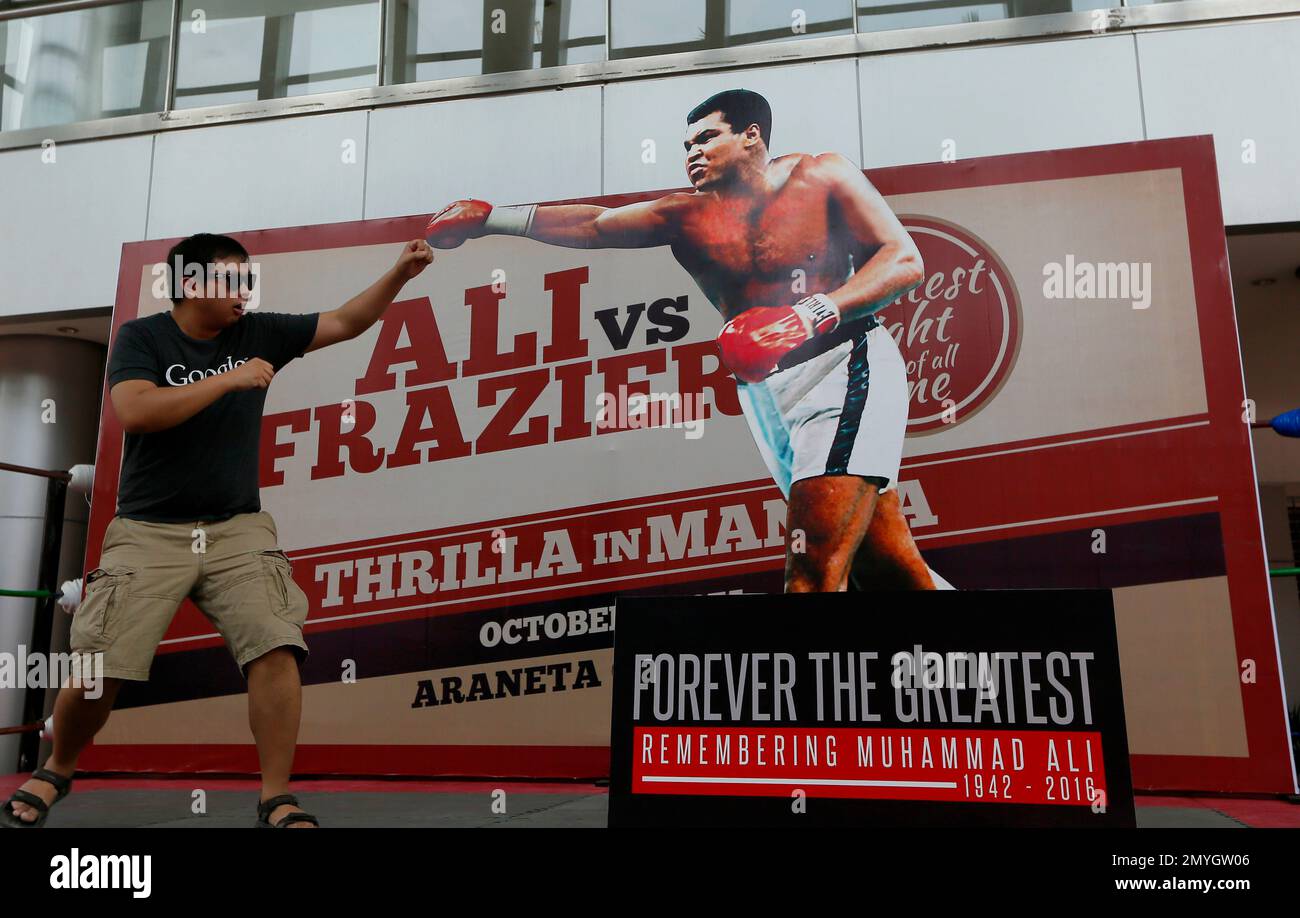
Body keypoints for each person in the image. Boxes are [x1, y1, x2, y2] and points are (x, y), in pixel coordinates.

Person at [424, 88, 943, 594]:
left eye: (706, 139)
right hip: (765, 394)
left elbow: (904, 259)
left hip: (842, 366)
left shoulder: (821, 175)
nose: (692, 153)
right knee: (885, 569)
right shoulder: (687, 216)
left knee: (810, 575)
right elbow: (597, 224)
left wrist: (809, 315)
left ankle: (795, 681)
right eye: (686, 147)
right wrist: (493, 218)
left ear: (751, 135)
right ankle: (992, 669)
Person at [1, 232, 433, 829]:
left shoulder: (257, 333)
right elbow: (137, 411)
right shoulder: (142, 337)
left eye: (246, 280)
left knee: (276, 645)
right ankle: (58, 767)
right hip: (148, 530)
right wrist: (226, 381)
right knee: (100, 668)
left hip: (237, 529)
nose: (244, 293)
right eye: (232, 280)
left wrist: (399, 274)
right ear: (190, 284)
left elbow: (344, 321)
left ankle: (276, 796)